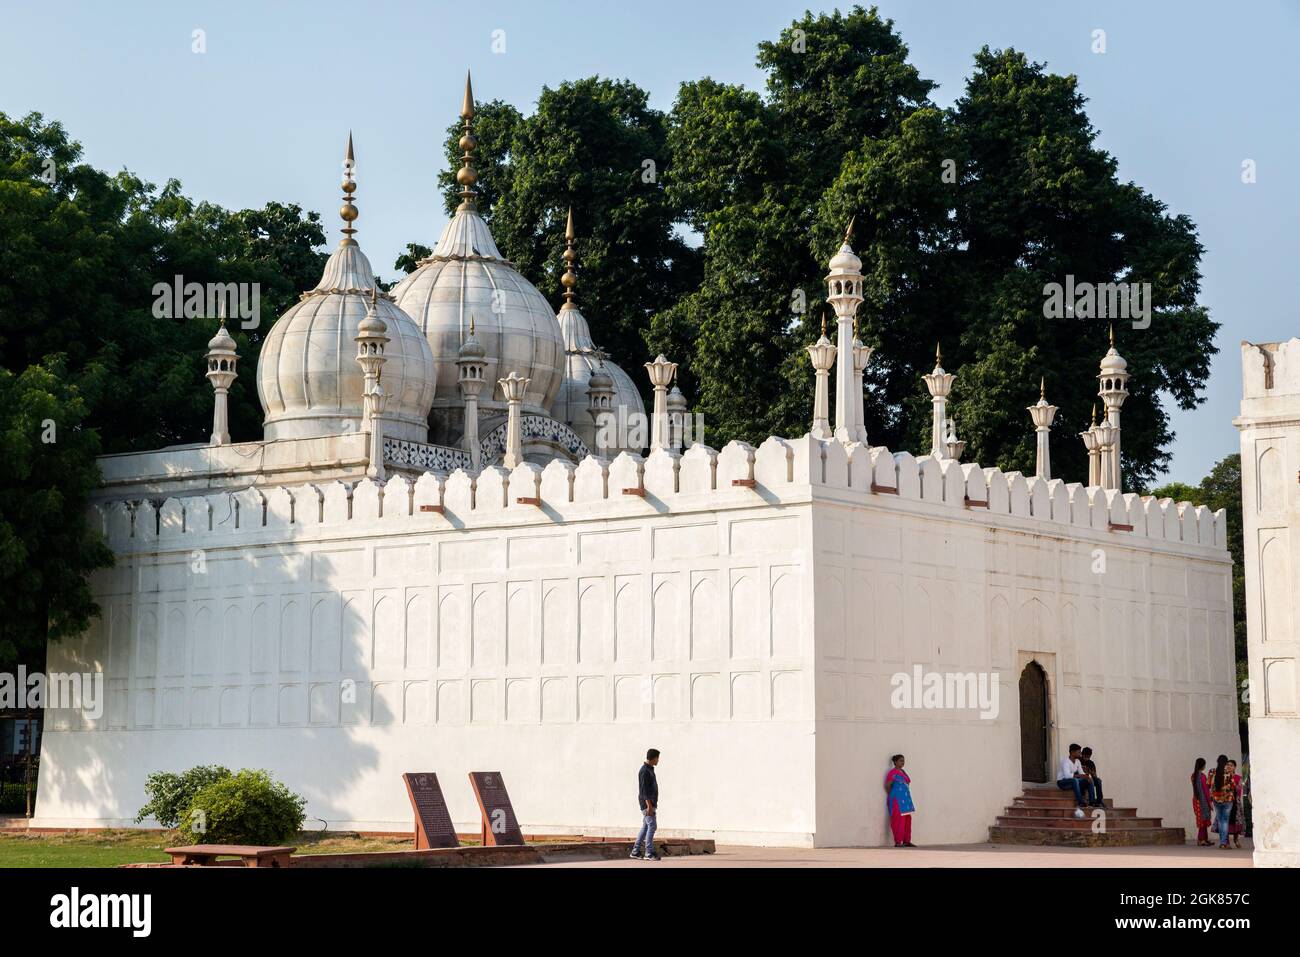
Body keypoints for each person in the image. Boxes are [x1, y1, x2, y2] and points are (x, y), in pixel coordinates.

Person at [631, 748, 660, 861]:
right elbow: (644, 791)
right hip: (647, 804)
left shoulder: (649, 770)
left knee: (645, 827)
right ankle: (648, 853)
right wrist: (649, 806)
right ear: (653, 758)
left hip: (650, 803)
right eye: (658, 758)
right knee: (652, 826)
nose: (658, 760)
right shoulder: (644, 771)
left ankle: (635, 851)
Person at [884, 754, 916, 847]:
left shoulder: (903, 771)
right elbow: (887, 786)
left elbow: (907, 783)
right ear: (895, 762)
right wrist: (894, 794)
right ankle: (898, 842)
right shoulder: (892, 772)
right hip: (897, 799)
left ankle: (907, 841)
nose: (903, 762)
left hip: (905, 800)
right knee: (898, 820)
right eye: (900, 760)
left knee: (907, 820)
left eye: (903, 761)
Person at [1056, 744, 1095, 814]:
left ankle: (1092, 802)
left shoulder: (1077, 761)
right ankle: (1080, 802)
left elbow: (1082, 773)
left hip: (1073, 782)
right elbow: (1067, 775)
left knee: (1089, 780)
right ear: (1073, 752)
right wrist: (1081, 776)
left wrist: (1088, 777)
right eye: (1079, 752)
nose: (1080, 753)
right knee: (1075, 780)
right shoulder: (1066, 761)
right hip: (1062, 783)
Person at [1208, 754, 1233, 849]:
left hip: (1216, 799)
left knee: (1220, 820)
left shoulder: (1211, 772)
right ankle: (1224, 843)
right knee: (1225, 821)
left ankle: (1222, 842)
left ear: (1217, 761)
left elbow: (1208, 784)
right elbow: (1232, 786)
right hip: (1228, 799)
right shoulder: (1229, 772)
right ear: (1226, 763)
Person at [1190, 757, 1212, 846]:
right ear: (1203, 765)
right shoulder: (1202, 776)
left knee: (1202, 820)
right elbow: (1206, 790)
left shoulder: (1193, 775)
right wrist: (1209, 802)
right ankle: (1201, 839)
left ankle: (1205, 839)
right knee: (1203, 820)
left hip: (1196, 799)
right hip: (1203, 800)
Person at [1226, 759, 1244, 849]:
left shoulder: (1238, 778)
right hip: (1225, 801)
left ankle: (1236, 839)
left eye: (1231, 765)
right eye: (1228, 765)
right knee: (1226, 821)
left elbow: (1239, 790)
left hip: (1235, 802)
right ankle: (1226, 841)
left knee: (1236, 821)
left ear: (1235, 767)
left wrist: (1232, 783)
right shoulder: (1224, 776)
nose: (1229, 766)